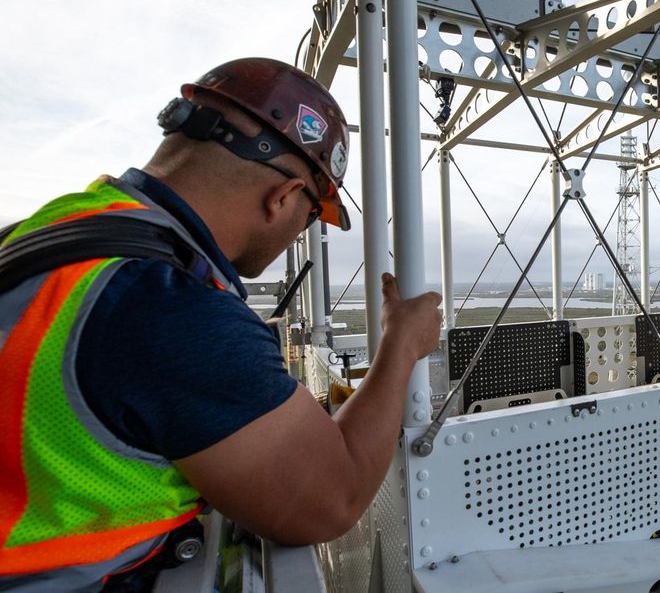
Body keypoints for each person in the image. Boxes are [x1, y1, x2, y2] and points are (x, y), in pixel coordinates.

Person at [0, 58, 442, 591]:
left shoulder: (49, 229)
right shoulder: (167, 306)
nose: (299, 232)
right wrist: (401, 346)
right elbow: (331, 500)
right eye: (310, 216)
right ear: (282, 198)